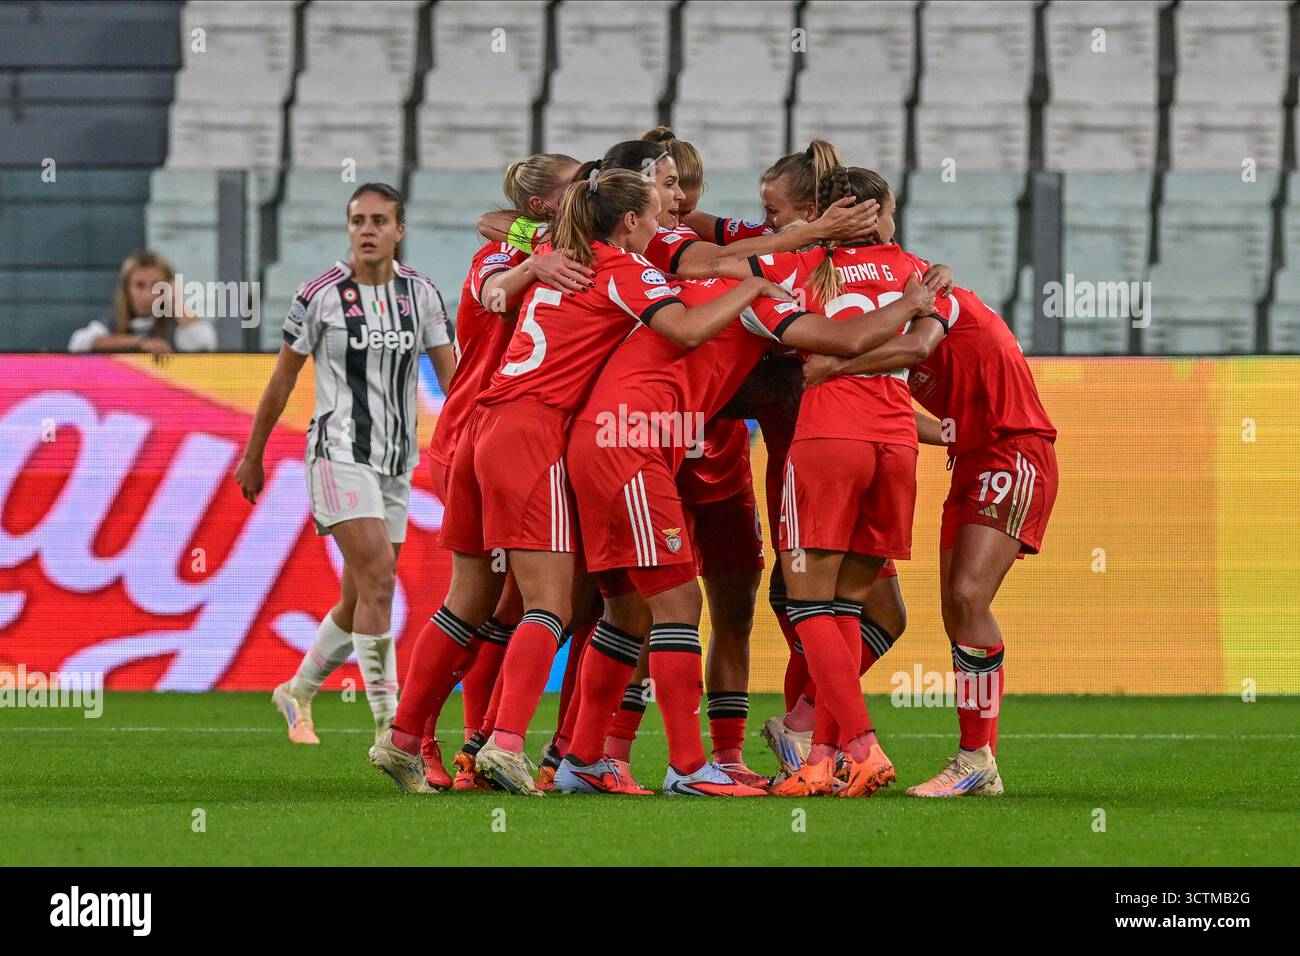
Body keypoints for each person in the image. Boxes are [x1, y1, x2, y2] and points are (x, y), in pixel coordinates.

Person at [370, 167, 788, 796]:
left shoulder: (550, 251)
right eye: (654, 211)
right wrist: (753, 284)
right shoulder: (624, 269)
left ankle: (405, 735)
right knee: (550, 604)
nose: (663, 221)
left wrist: (529, 268)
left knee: (469, 602)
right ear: (629, 222)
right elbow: (684, 328)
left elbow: (492, 280)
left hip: (480, 425)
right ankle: (506, 745)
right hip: (536, 432)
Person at [557, 262, 933, 796]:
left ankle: (584, 758)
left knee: (624, 611)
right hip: (632, 443)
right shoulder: (753, 297)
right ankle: (688, 768)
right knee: (678, 607)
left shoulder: (688, 280)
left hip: (617, 439)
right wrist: (913, 302)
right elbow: (848, 337)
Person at [802, 278, 1058, 798]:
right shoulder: (879, 324)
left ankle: (977, 758)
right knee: (954, 609)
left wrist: (836, 366)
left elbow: (918, 345)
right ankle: (814, 725)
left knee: (968, 597)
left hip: (1014, 448)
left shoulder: (929, 296)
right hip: (969, 459)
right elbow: (931, 420)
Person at [746, 165, 956, 798]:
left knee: (812, 607)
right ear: (882, 213)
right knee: (845, 611)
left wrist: (827, 370)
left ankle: (862, 747)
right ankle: (823, 757)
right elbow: (922, 347)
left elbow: (729, 269)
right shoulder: (919, 271)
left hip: (826, 443)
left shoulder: (798, 266)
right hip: (894, 443)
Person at [234, 182, 454, 759]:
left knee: (360, 598)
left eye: (380, 220)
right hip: (337, 453)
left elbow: (454, 384)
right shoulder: (320, 296)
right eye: (358, 219)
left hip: (398, 461)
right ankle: (390, 727)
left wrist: (467, 447)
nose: (368, 229)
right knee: (381, 576)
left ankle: (297, 689)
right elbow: (281, 380)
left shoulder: (423, 296)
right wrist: (253, 454)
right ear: (348, 227)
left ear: (399, 230)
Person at [419, 152, 592, 790]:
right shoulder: (504, 260)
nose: (589, 192)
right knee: (492, 603)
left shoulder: (538, 239)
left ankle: (464, 746)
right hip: (482, 435)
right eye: (578, 185)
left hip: (493, 436)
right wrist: (530, 259)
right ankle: (451, 739)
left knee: (508, 601)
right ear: (546, 203)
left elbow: (494, 219)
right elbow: (494, 263)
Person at [69, 250, 216, 354]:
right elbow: (78, 343)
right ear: (126, 289)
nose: (147, 295)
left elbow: (205, 342)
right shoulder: (111, 324)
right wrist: (141, 342)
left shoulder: (176, 328)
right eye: (139, 286)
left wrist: (176, 302)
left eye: (156, 286)